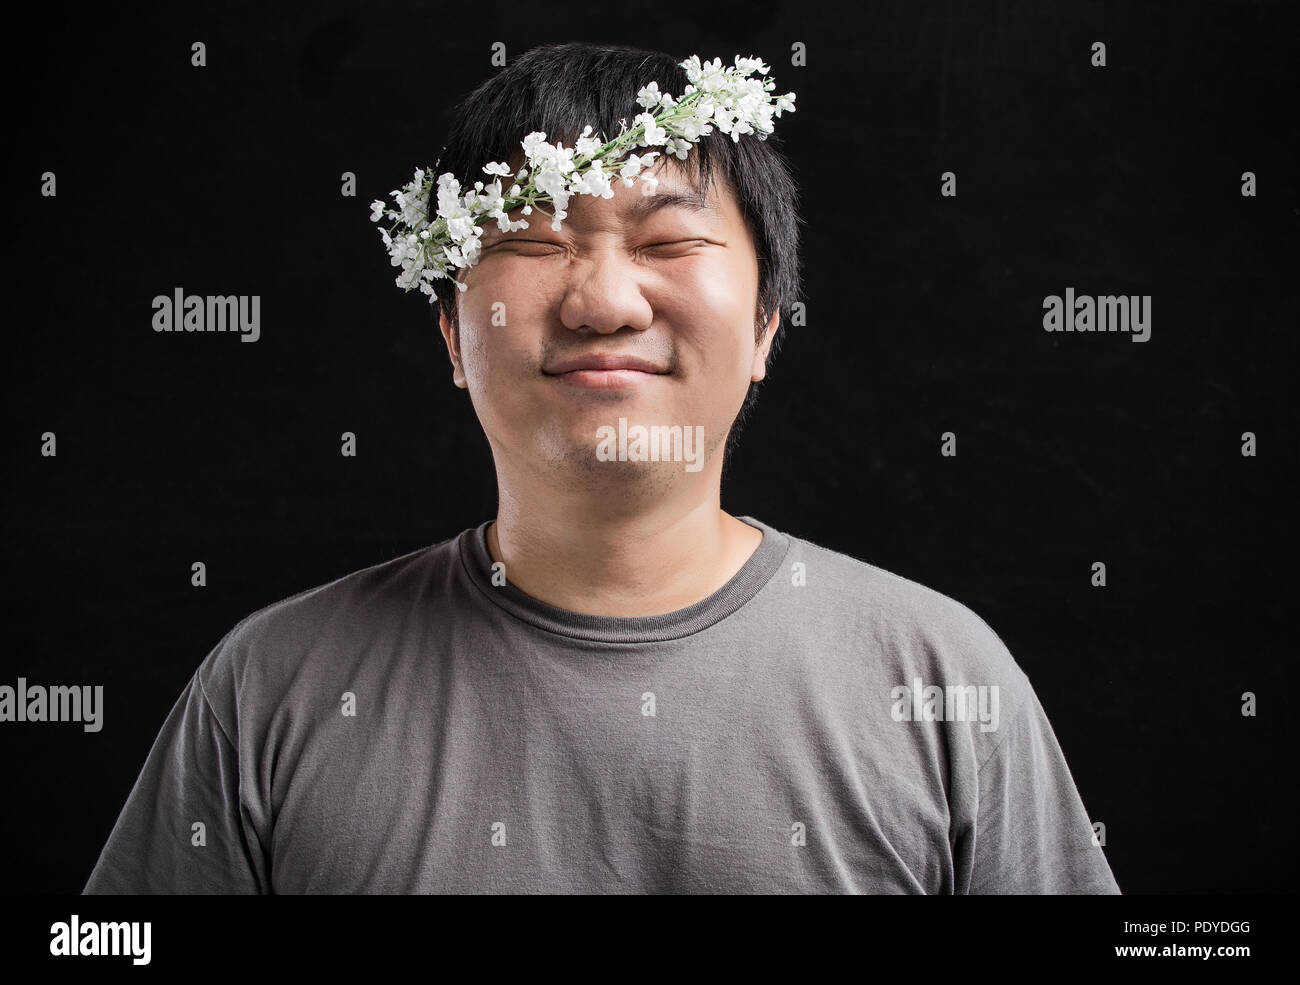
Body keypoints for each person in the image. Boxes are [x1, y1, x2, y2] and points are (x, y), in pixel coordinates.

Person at [84, 41, 1119, 894]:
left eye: (669, 242)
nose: (603, 302)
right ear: (451, 333)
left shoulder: (940, 680)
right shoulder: (269, 689)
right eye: (535, 242)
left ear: (764, 326)